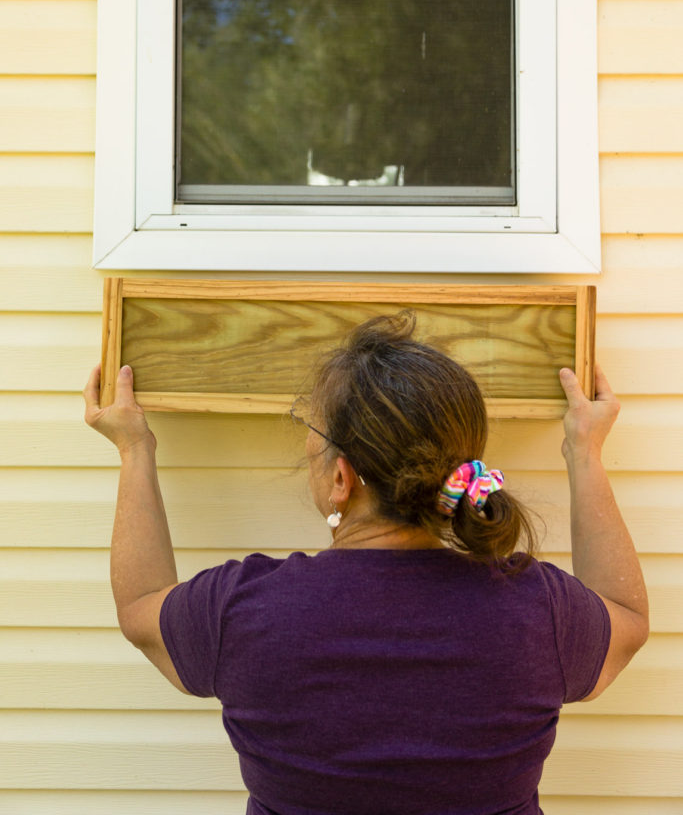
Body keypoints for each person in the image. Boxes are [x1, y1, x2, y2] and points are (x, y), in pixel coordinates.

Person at [83, 313, 648, 815]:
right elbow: (625, 615)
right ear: (464, 473)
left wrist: (135, 449)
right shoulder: (539, 611)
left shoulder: (240, 610)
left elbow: (139, 606)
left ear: (340, 479)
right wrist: (585, 451)